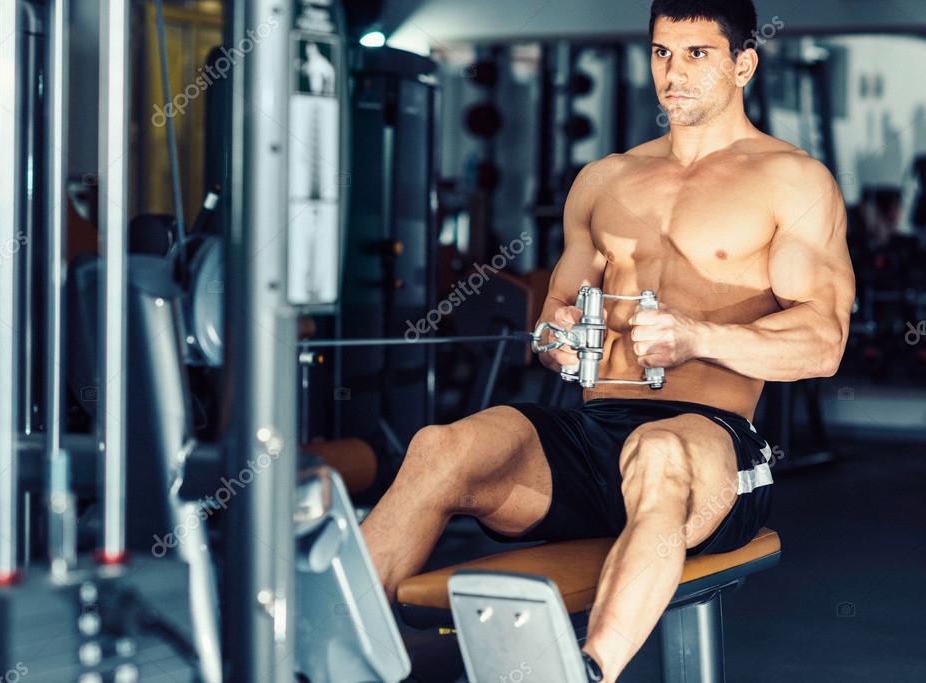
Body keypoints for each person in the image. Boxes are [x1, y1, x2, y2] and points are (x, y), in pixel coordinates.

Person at [360, 0, 855, 680]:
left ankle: (588, 670)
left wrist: (696, 335)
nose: (672, 73)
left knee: (656, 451)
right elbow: (554, 316)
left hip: (711, 444)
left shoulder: (792, 180)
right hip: (593, 436)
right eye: (660, 53)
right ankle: (328, 656)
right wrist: (552, 336)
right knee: (440, 448)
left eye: (696, 54)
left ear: (743, 63)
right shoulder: (604, 180)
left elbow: (822, 341)